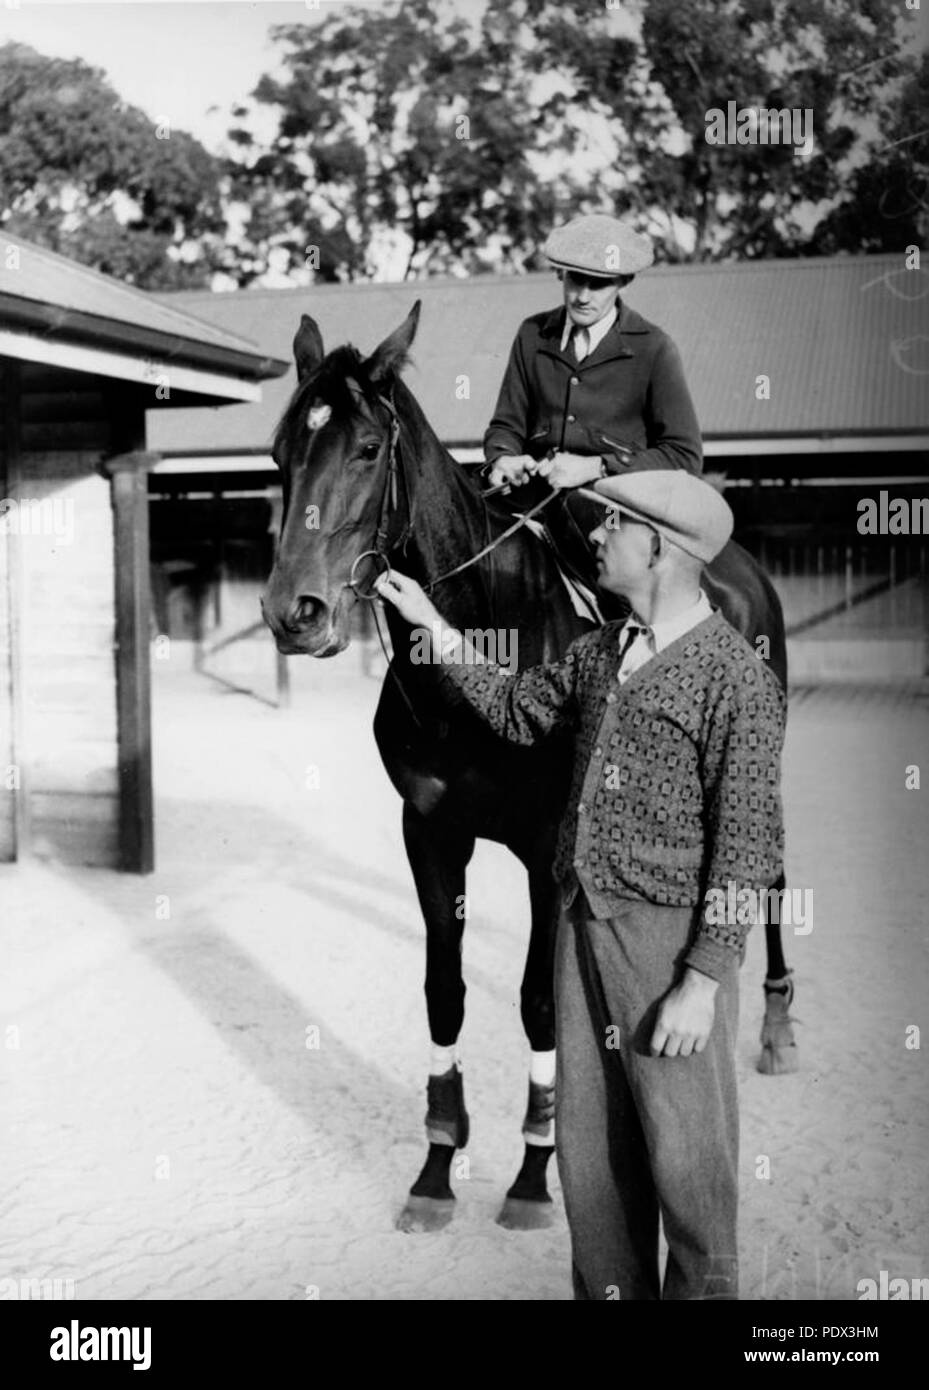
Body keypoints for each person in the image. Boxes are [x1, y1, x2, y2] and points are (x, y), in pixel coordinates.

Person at [376, 469, 786, 1301]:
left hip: (669, 950)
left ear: (659, 548)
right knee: (593, 1168)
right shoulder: (601, 652)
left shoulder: (735, 678)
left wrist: (702, 982)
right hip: (578, 931)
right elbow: (518, 708)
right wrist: (431, 623)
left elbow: (748, 846)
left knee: (688, 1167)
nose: (592, 537)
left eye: (610, 527)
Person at [484, 213, 702, 597]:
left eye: (598, 284)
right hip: (533, 497)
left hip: (614, 512)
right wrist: (504, 458)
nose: (582, 296)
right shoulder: (532, 334)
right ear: (560, 276)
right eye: (574, 280)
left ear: (623, 282)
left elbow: (684, 455)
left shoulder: (654, 347)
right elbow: (506, 425)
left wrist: (595, 466)